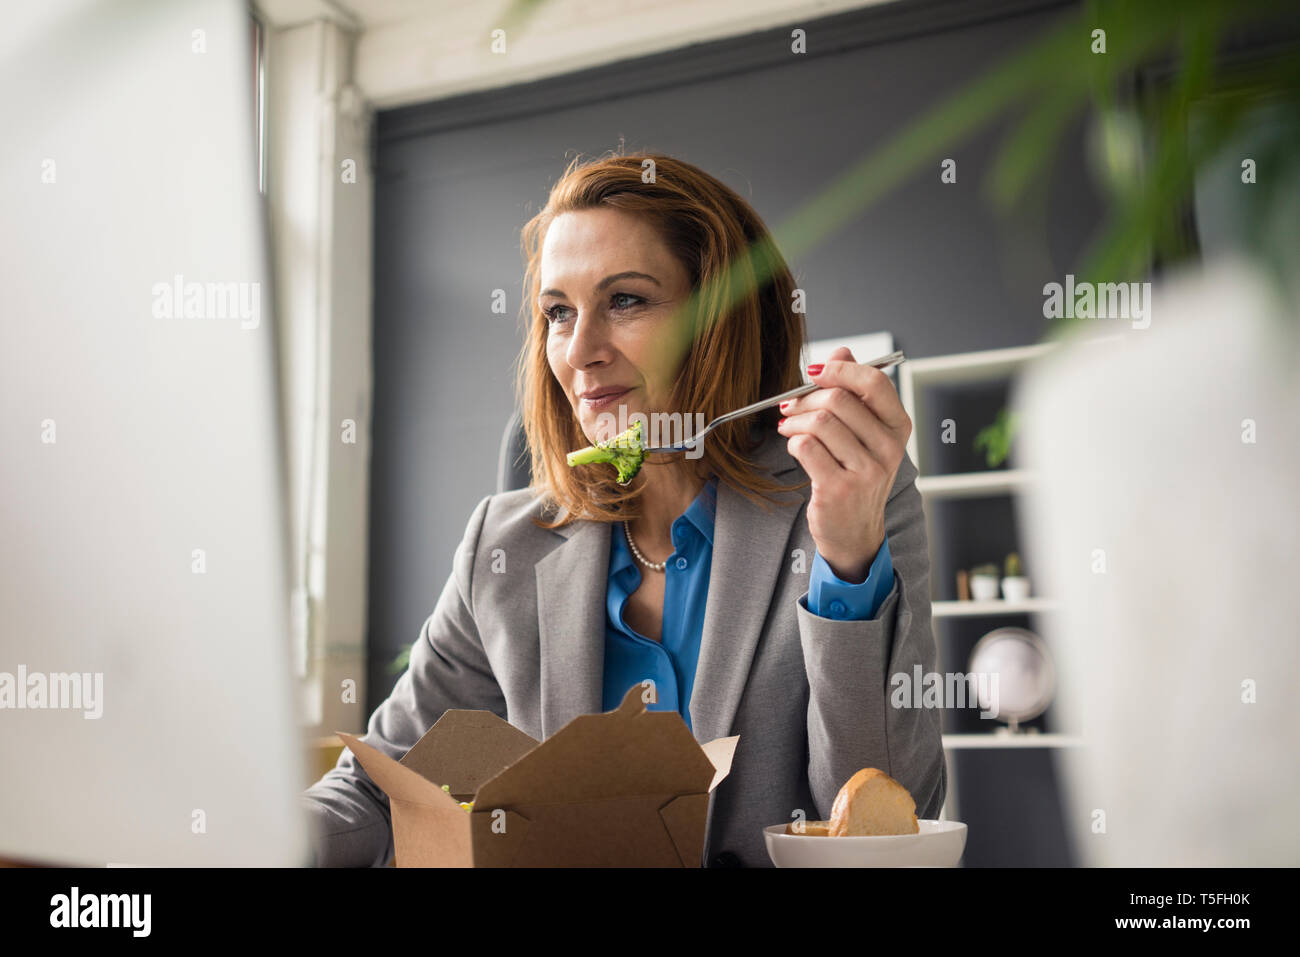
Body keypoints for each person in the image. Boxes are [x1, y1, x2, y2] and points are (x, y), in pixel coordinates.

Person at [302, 151, 945, 867]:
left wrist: (848, 558)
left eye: (627, 300)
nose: (580, 352)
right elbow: (378, 785)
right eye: (557, 313)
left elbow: (888, 826)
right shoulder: (504, 545)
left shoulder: (843, 499)